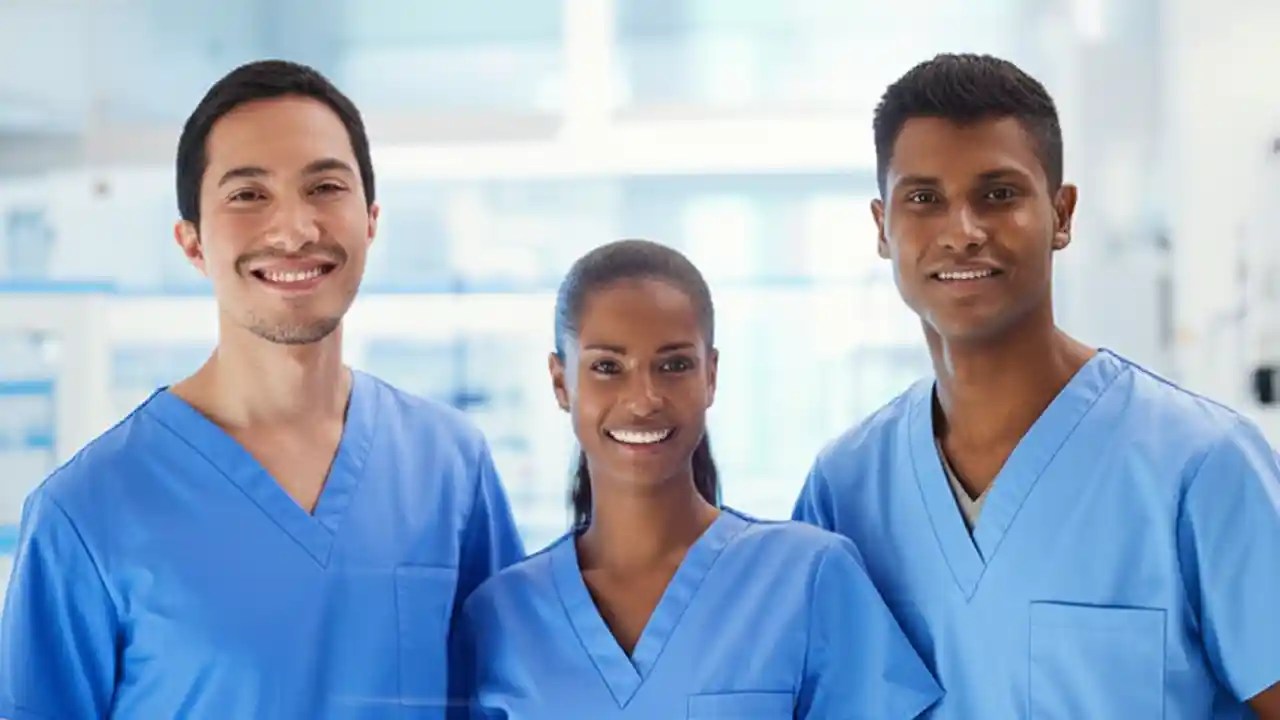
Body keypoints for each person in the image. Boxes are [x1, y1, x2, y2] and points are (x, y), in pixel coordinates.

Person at [0, 59, 525, 719]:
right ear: (192, 243)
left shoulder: (448, 467)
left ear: (371, 219)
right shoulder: (85, 511)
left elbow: (513, 697)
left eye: (325, 187)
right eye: (248, 195)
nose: (295, 229)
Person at [792, 53, 1280, 719]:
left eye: (998, 194)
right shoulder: (844, 488)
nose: (962, 232)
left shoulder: (1202, 465)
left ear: (1062, 213)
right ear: (882, 227)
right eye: (924, 199)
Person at [452, 239, 941, 718]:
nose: (643, 399)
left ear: (710, 375)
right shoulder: (502, 616)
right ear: (561, 382)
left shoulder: (806, 577)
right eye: (607, 367)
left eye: (674, 365)